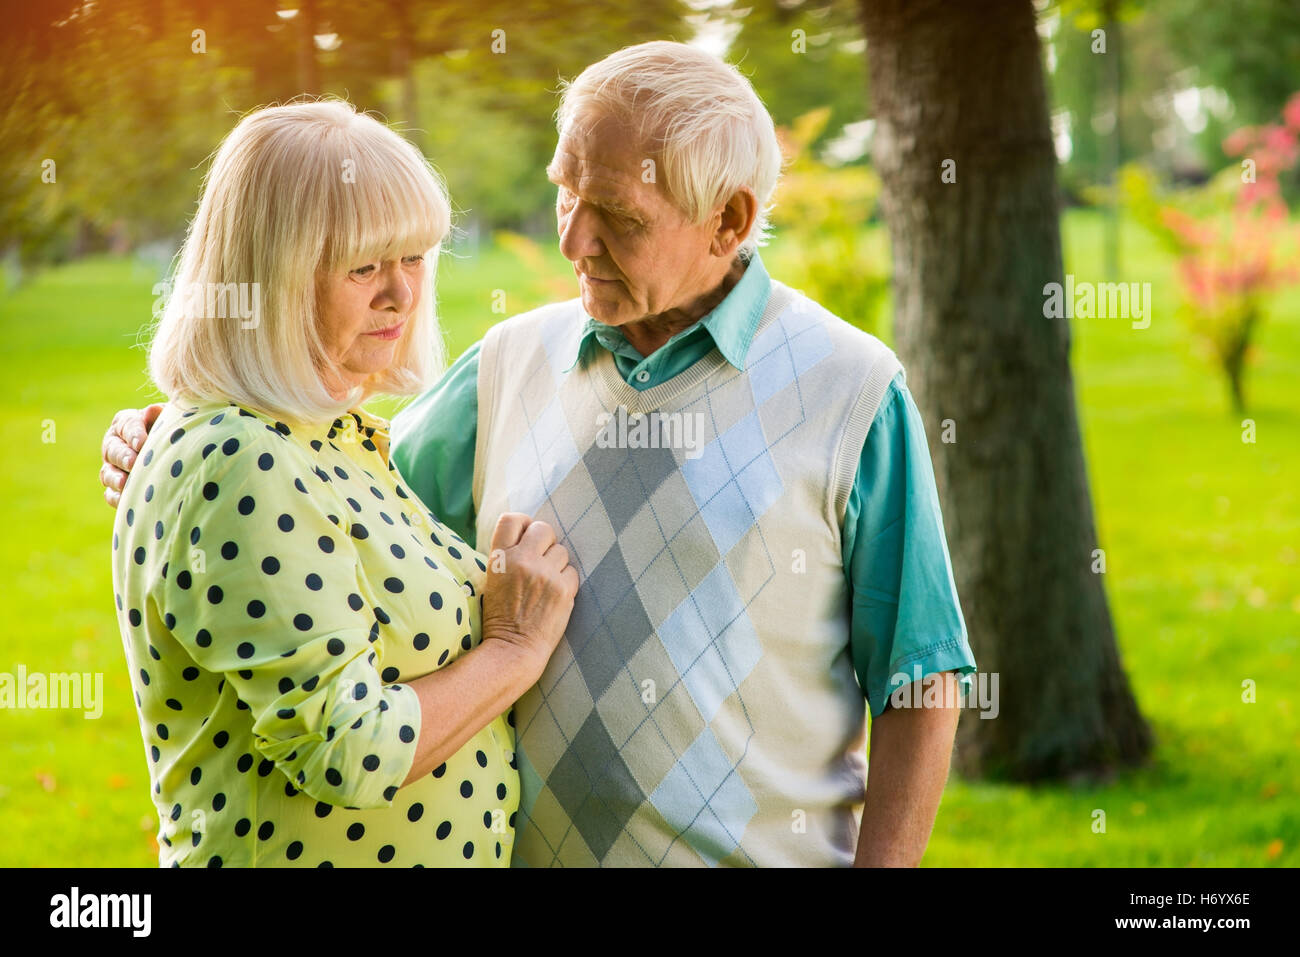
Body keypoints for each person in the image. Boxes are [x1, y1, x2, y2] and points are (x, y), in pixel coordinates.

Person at [105, 42, 977, 867]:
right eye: (567, 191)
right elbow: (330, 504)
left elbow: (922, 678)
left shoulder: (851, 390)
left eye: (618, 217)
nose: (573, 241)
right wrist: (186, 432)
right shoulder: (505, 365)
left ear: (730, 221)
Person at [107, 99, 577, 867]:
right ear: (271, 276)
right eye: (364, 265)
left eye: (415, 256)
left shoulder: (333, 434)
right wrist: (514, 651)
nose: (401, 293)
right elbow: (348, 751)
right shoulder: (238, 457)